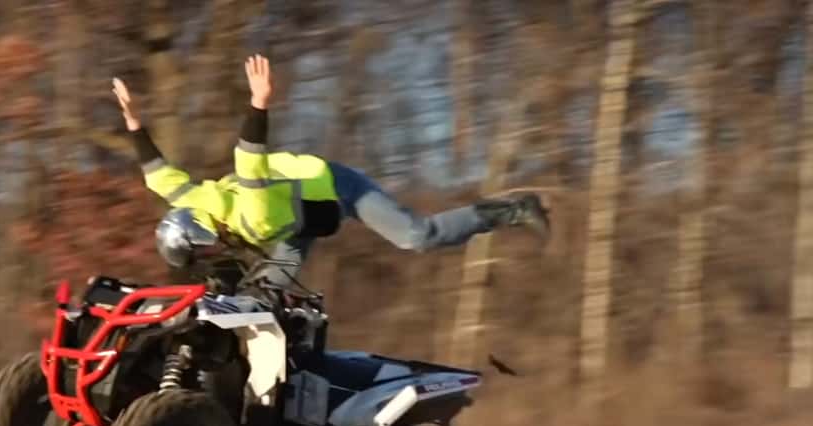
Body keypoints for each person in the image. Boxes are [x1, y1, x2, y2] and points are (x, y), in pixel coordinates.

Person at [111, 54, 549, 286]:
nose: (209, 258)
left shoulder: (251, 212)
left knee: (417, 237)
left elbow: (249, 160)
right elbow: (157, 174)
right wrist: (132, 121)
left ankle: (515, 209)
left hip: (334, 189)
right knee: (257, 301)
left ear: (205, 235)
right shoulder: (193, 203)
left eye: (202, 252)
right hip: (294, 220)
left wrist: (258, 103)